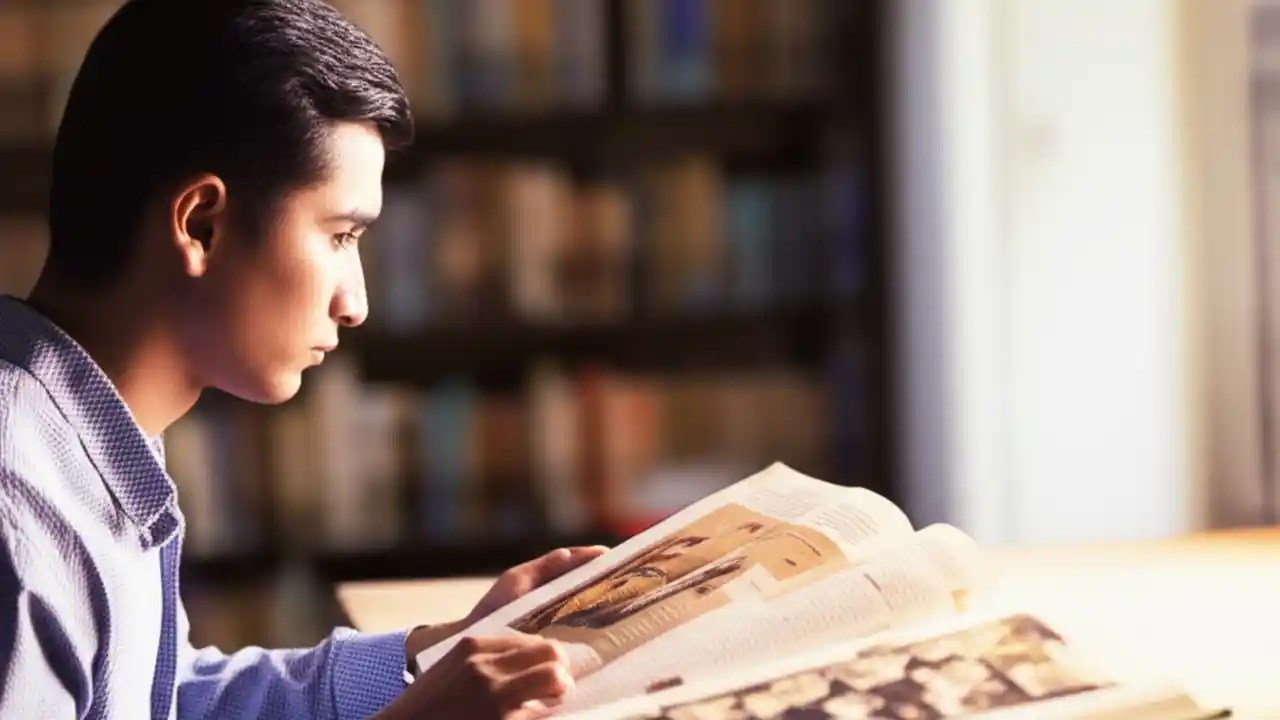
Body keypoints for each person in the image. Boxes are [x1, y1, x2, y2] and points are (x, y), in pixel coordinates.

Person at [0, 0, 606, 718]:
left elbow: (168, 700)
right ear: (202, 225)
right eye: (341, 236)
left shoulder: (80, 438)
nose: (357, 303)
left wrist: (444, 647)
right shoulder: (19, 516)